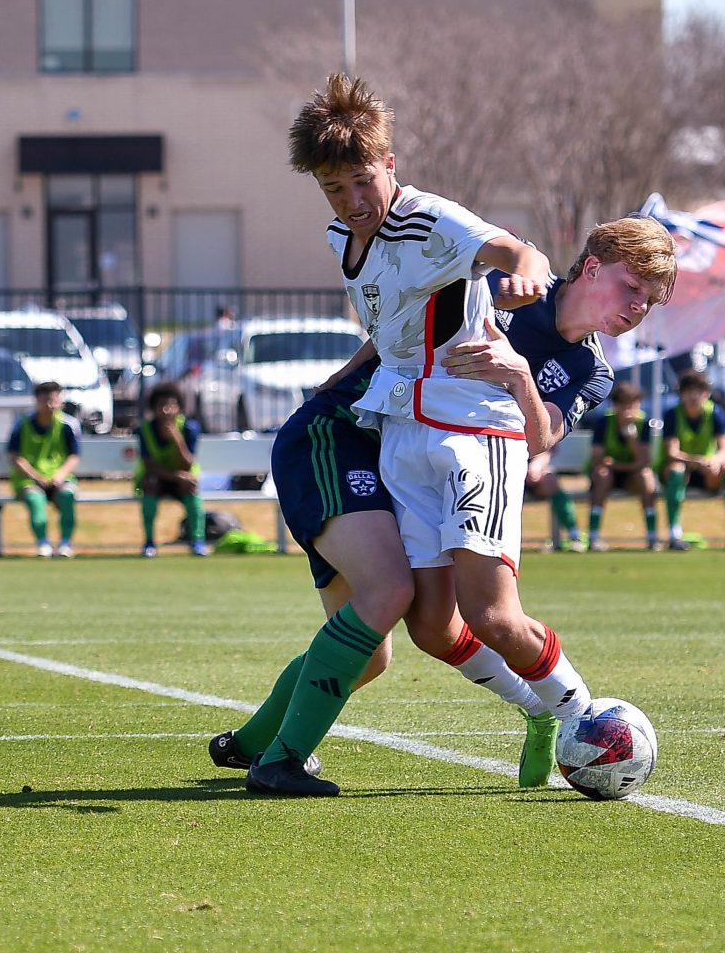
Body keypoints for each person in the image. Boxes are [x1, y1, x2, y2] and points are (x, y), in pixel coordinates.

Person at [220, 73, 674, 797]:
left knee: (456, 621)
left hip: (464, 440)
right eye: (630, 290)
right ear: (592, 268)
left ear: (390, 168)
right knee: (407, 616)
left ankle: (580, 715)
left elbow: (537, 425)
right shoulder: (361, 240)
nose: (635, 309)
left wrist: (520, 366)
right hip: (384, 432)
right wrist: (336, 383)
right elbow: (410, 323)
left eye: (647, 303)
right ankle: (279, 752)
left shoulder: (584, 365)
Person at [660, 369, 725, 550]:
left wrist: (714, 461)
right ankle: (675, 535)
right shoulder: (672, 414)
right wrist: (696, 461)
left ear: (706, 393)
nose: (693, 396)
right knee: (676, 470)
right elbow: (672, 452)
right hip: (682, 472)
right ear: (681, 393)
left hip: (708, 472)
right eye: (688, 391)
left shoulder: (716, 413)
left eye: (698, 391)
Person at [136, 381, 211, 558]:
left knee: (191, 486)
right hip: (157, 478)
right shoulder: (145, 429)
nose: (166, 410)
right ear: (153, 408)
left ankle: (197, 541)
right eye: (161, 405)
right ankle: (149, 542)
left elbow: (187, 464)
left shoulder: (189, 428)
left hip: (183, 478)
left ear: (179, 407)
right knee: (150, 484)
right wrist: (176, 476)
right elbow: (149, 465)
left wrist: (177, 439)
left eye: (171, 405)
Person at [8, 381, 81, 558]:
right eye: (46, 400)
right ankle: (43, 543)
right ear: (37, 401)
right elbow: (14, 457)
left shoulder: (67, 424)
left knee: (67, 495)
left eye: (54, 400)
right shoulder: (22, 424)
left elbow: (74, 456)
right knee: (35, 499)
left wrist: (60, 474)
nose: (50, 405)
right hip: (28, 479)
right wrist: (35, 476)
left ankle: (65, 543)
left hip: (59, 478)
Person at [586, 381, 659, 551]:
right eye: (623, 404)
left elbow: (644, 461)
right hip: (609, 475)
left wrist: (631, 436)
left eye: (632, 404)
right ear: (615, 405)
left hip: (631, 475)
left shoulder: (644, 423)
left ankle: (652, 537)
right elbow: (598, 458)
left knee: (646, 477)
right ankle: (593, 537)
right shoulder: (604, 422)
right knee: (602, 475)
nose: (628, 409)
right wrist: (620, 466)